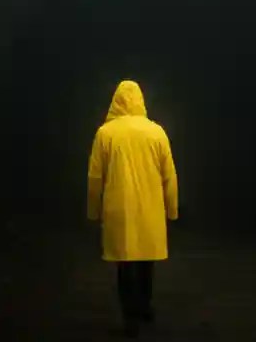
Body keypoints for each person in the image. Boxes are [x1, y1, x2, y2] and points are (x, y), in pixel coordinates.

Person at [87, 80, 179, 338]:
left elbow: (95, 177)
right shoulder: (156, 132)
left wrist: (93, 210)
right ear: (141, 100)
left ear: (115, 100)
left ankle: (130, 318)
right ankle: (145, 307)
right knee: (146, 261)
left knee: (125, 265)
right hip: (150, 209)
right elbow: (169, 176)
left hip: (119, 210)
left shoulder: (105, 133)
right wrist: (171, 209)